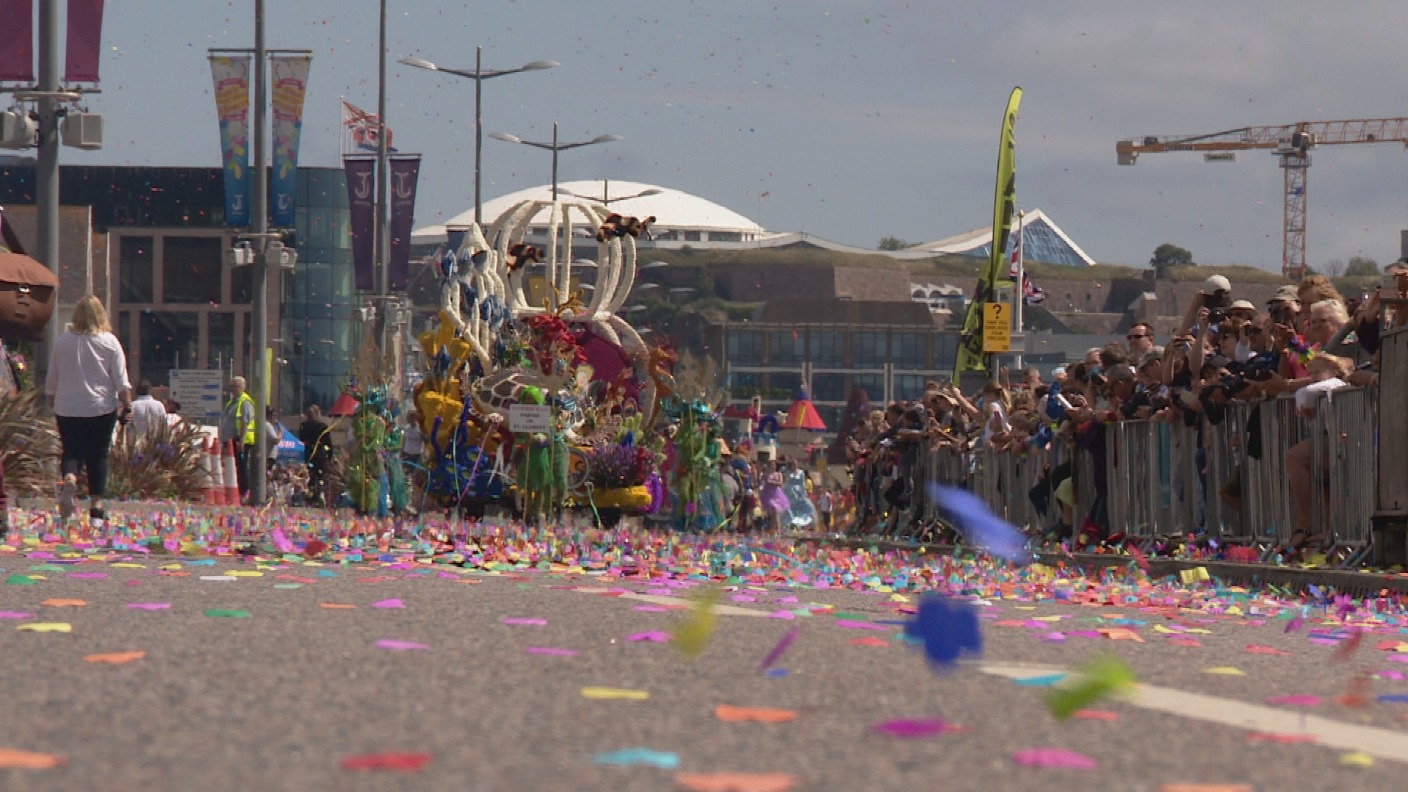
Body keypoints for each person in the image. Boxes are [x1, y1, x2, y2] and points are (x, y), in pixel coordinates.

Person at [45, 295, 131, 528]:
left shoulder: (62, 341)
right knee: (98, 455)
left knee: (71, 451)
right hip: (100, 407)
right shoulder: (109, 342)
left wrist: (53, 400)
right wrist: (127, 404)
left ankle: (70, 477)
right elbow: (121, 380)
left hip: (67, 407)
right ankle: (96, 508)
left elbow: (53, 377)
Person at [219, 376, 256, 504]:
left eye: (234, 386)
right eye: (231, 386)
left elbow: (245, 422)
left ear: (241, 387)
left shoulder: (245, 402)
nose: (231, 389)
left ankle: (243, 492)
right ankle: (233, 491)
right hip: (229, 441)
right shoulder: (231, 402)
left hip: (239, 441)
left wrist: (242, 440)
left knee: (241, 466)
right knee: (231, 466)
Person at [298, 404, 332, 507]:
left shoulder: (304, 426)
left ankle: (312, 494)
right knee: (321, 475)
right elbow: (328, 443)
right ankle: (320, 494)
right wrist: (329, 455)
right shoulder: (322, 426)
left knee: (312, 475)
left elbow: (302, 439)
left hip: (309, 454)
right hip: (320, 453)